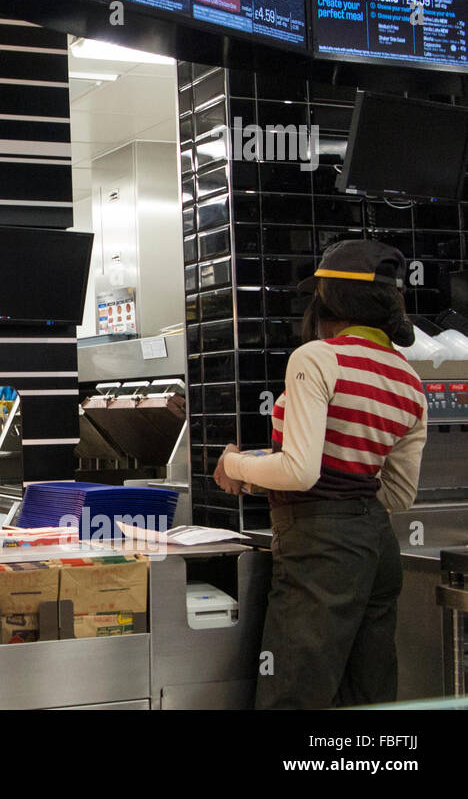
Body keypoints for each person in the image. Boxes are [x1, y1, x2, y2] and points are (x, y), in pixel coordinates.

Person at [214, 240, 428, 709]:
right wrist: (346, 490)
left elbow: (300, 469)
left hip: (320, 548)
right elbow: (397, 492)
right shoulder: (409, 380)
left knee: (295, 691)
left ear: (329, 299)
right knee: (368, 695)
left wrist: (233, 464)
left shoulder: (317, 358)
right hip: (377, 546)